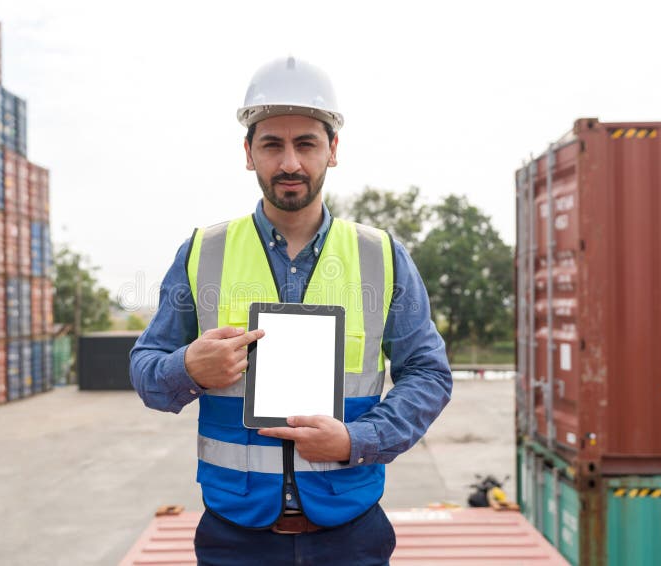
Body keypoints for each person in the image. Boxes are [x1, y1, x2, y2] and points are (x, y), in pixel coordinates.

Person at [130, 56, 452, 566]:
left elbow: (429, 374)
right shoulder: (202, 251)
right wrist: (187, 368)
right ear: (248, 152)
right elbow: (147, 371)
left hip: (350, 533)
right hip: (234, 535)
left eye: (306, 143)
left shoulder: (381, 255)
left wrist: (357, 439)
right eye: (272, 144)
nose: (289, 163)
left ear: (333, 150)